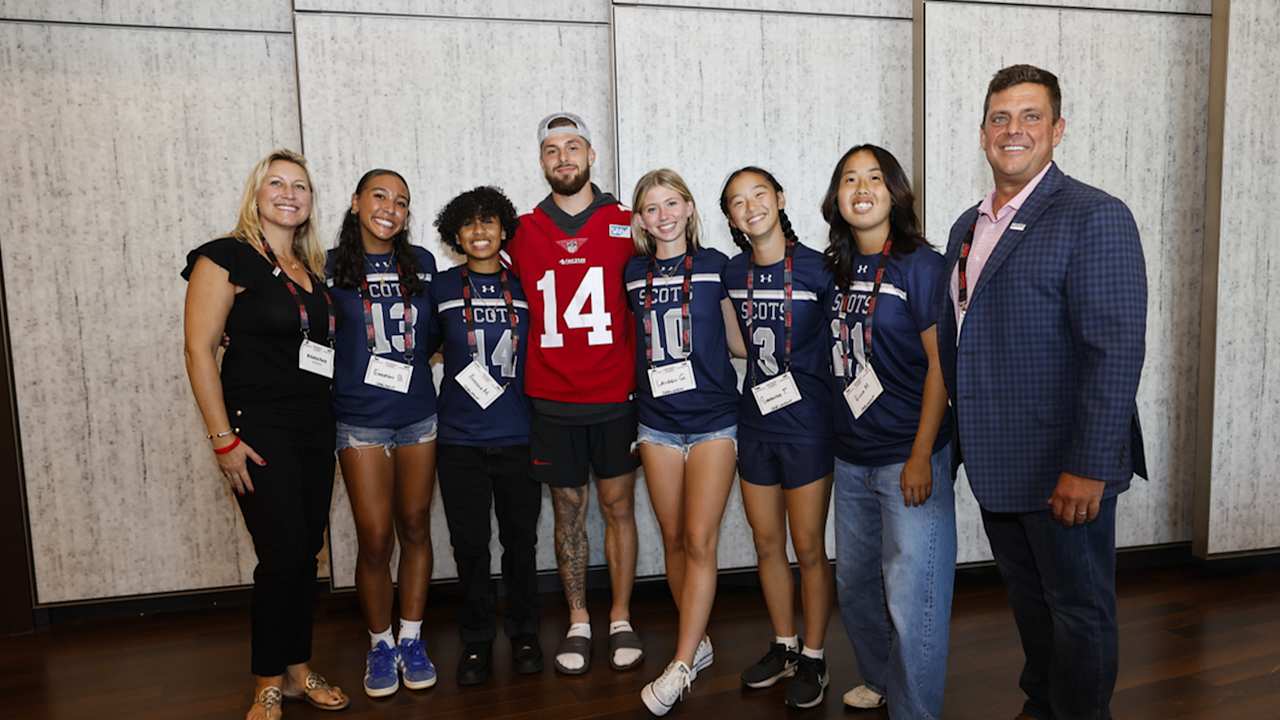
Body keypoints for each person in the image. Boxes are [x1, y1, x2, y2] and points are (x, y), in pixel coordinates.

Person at [937, 64, 1147, 720]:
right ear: (982, 134)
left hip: (1065, 467)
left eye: (1031, 116)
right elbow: (962, 336)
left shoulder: (1094, 215)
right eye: (1000, 117)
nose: (1014, 130)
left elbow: (1114, 352)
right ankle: (1043, 704)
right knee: (1031, 604)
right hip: (999, 462)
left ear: (1057, 130)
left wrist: (1088, 466)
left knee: (1079, 610)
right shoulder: (966, 227)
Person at [182, 149, 349, 720]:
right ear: (256, 194)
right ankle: (267, 682)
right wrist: (222, 439)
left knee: (304, 553)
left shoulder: (311, 269)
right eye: (276, 183)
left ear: (310, 201)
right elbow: (199, 350)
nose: (288, 194)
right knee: (279, 555)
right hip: (257, 429)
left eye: (299, 186)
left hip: (315, 428)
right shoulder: (225, 257)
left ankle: (299, 671)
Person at [500, 112, 643, 675]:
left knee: (618, 507)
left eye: (573, 147)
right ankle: (580, 619)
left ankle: (622, 617)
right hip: (553, 400)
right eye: (552, 149)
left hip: (614, 395)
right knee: (567, 512)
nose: (563, 157)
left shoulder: (627, 222)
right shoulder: (521, 230)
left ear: (591, 155)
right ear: (541, 161)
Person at [820, 145, 956, 719]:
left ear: (895, 192)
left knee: (913, 596)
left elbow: (940, 365)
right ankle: (879, 679)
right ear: (837, 198)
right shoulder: (837, 268)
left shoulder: (921, 266)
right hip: (852, 457)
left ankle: (915, 710)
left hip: (908, 454)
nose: (861, 188)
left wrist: (921, 454)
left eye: (874, 177)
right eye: (849, 179)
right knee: (854, 586)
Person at [624, 170, 742, 715]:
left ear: (690, 208)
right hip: (657, 424)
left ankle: (679, 664)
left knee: (699, 539)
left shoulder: (718, 266)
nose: (664, 215)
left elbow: (738, 341)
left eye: (672, 204)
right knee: (673, 539)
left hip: (715, 420)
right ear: (640, 220)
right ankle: (698, 644)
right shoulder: (632, 273)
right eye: (652, 208)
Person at [719, 166, 836, 709]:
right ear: (731, 217)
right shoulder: (732, 271)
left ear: (781, 198)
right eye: (738, 201)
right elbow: (738, 345)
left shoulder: (820, 267)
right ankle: (785, 644)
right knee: (767, 543)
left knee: (808, 547)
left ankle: (814, 654)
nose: (751, 207)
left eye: (759, 194)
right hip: (756, 422)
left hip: (807, 425)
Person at [326, 169, 439, 698]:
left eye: (401, 201)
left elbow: (434, 336)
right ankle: (379, 643)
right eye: (379, 196)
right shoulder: (328, 267)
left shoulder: (423, 264)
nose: (390, 208)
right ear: (355, 202)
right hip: (360, 419)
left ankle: (411, 638)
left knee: (415, 526)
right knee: (374, 537)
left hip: (418, 416)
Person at [431, 186, 544, 685]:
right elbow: (424, 347)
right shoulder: (440, 288)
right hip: (460, 440)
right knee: (470, 545)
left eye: (489, 221)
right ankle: (476, 639)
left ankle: (524, 632)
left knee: (521, 542)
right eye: (469, 223)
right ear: (456, 234)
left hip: (518, 434)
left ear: (504, 230)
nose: (479, 232)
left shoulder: (525, 285)